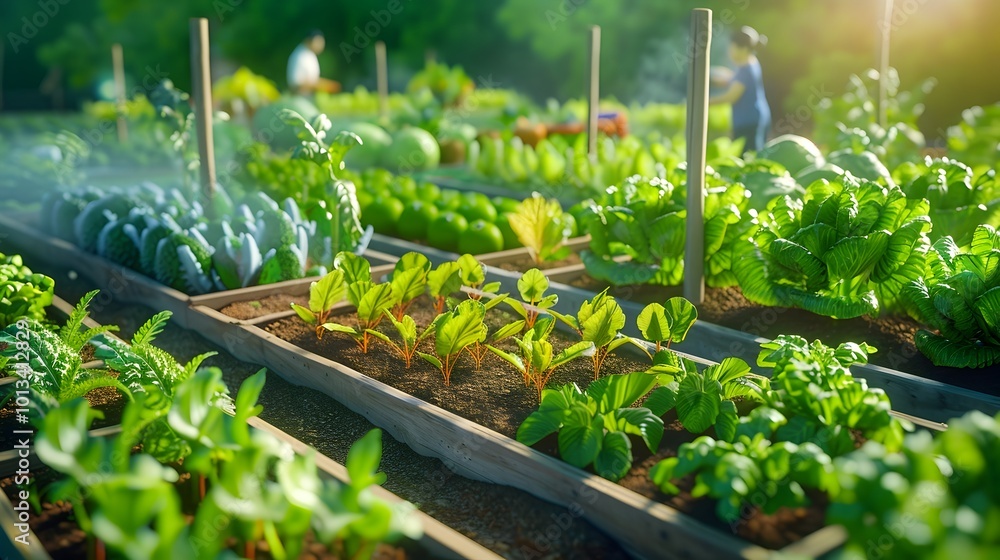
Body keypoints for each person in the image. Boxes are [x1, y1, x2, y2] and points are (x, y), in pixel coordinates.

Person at [710, 26, 771, 153]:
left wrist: (705, 102)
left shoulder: (746, 70)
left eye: (732, 47)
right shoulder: (751, 62)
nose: (729, 51)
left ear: (742, 49)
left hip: (748, 122)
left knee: (747, 156)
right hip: (756, 117)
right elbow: (737, 81)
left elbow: (731, 97)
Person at [287, 30, 341, 95]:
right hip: (300, 99)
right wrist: (325, 86)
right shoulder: (300, 56)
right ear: (308, 40)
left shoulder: (310, 54)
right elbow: (296, 82)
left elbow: (313, 79)